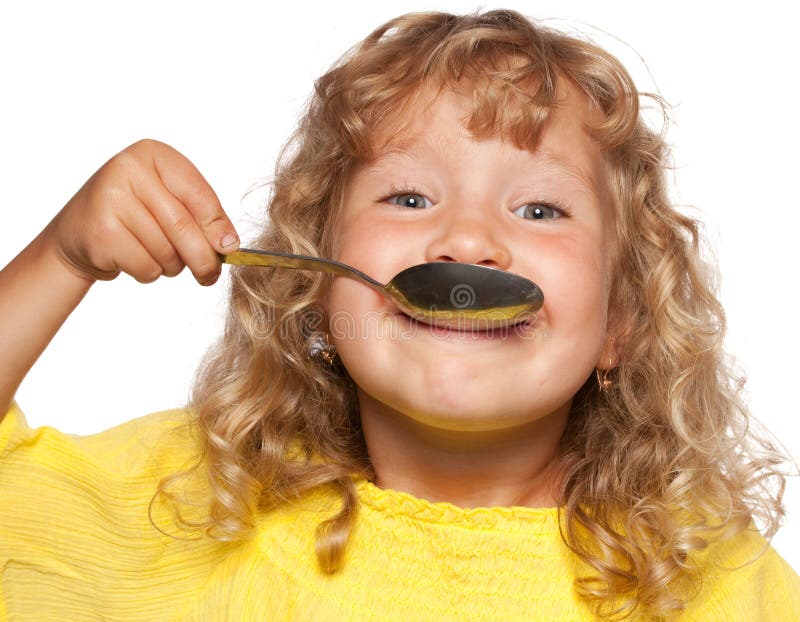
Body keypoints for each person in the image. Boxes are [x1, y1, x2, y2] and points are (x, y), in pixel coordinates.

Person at [0, 9, 797, 621]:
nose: (465, 238)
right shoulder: (203, 501)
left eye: (542, 208)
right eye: (409, 197)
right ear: (315, 288)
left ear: (622, 322)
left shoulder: (710, 577)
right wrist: (60, 262)